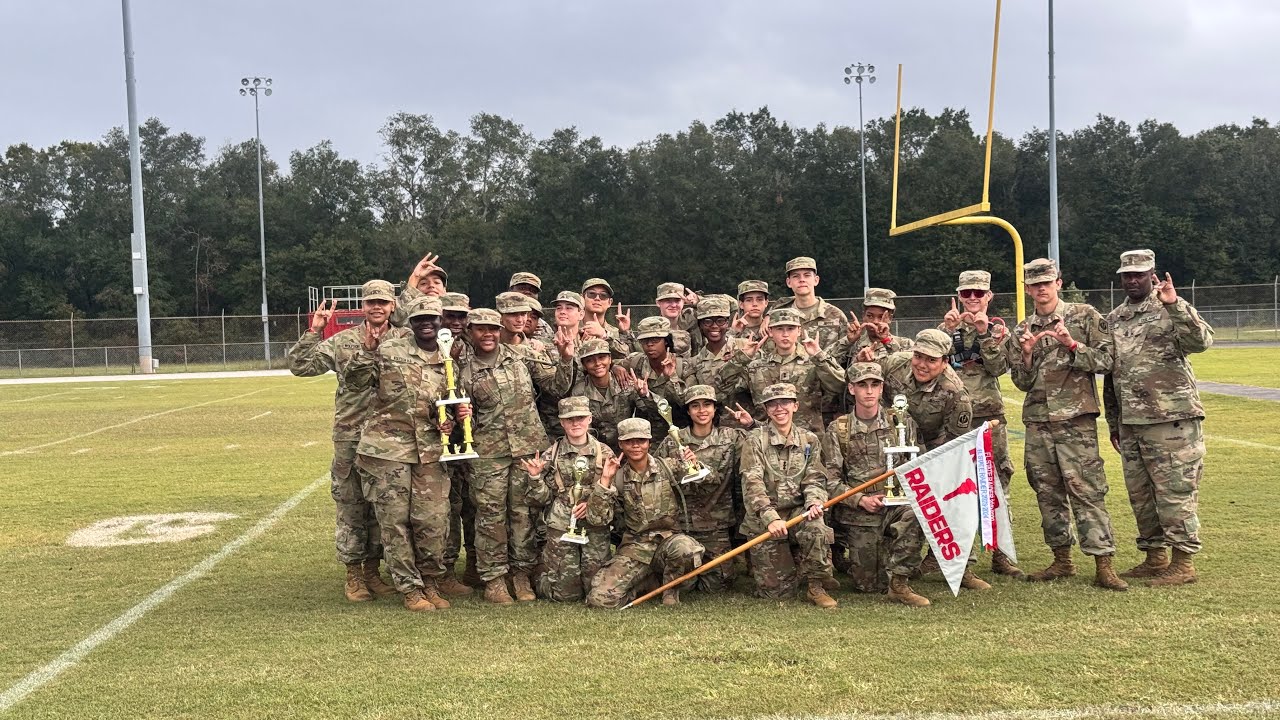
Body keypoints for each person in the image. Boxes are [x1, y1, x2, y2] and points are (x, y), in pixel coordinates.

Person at [1009, 257, 1127, 592]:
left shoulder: (1085, 315)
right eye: (1034, 284)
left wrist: (1071, 344)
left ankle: (1103, 563)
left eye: (1046, 282)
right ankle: (1061, 560)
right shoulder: (1023, 329)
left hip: (1076, 421)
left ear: (1058, 282)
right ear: (1028, 289)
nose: (1040, 289)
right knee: (1047, 492)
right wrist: (1028, 354)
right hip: (1038, 422)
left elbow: (1107, 361)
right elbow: (1020, 380)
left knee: (1087, 490)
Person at [286, 279, 407, 602]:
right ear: (363, 307)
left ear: (393, 306)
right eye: (371, 302)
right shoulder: (343, 341)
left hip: (390, 439)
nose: (377, 307)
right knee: (351, 505)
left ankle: (373, 571)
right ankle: (354, 575)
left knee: (382, 507)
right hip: (352, 436)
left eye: (383, 302)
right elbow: (300, 366)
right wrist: (314, 331)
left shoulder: (403, 341)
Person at [343, 296, 463, 612]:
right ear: (410, 322)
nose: (426, 324)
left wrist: (454, 420)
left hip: (431, 452)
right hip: (388, 451)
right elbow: (354, 383)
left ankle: (431, 582)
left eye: (432, 319)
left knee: (433, 521)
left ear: (440, 322)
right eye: (419, 319)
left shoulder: (449, 359)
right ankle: (410, 590)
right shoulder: (389, 350)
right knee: (395, 523)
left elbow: (446, 408)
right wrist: (367, 350)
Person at [1104, 249, 1214, 586]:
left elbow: (1202, 341)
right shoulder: (1115, 318)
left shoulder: (1170, 308)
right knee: (1141, 493)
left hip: (1172, 419)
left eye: (1139, 273)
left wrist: (1175, 304)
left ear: (1153, 274)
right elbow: (1112, 375)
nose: (1132, 279)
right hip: (1132, 422)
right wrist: (1114, 423)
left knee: (1175, 492)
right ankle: (1154, 557)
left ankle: (1183, 563)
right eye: (1127, 274)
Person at [457, 308, 577, 605]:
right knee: (490, 517)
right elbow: (461, 424)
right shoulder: (462, 369)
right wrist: (462, 417)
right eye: (481, 329)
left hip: (526, 449)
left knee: (523, 514)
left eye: (493, 329)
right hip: (489, 453)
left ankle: (521, 574)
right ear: (470, 332)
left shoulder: (521, 356)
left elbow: (556, 387)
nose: (488, 334)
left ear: (500, 331)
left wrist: (565, 358)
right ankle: (494, 579)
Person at [872, 328, 992, 591]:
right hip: (895, 441)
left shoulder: (956, 394)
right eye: (919, 356)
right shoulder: (895, 364)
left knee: (950, 499)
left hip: (937, 447)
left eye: (931, 360)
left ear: (945, 362)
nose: (922, 364)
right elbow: (867, 382)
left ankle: (962, 565)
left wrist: (936, 471)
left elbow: (955, 445)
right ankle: (892, 556)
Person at [821, 363, 930, 606]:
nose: (869, 391)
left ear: (882, 388)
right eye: (862, 385)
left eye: (875, 385)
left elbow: (916, 466)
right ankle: (877, 558)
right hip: (858, 512)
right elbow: (830, 479)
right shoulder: (838, 429)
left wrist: (896, 493)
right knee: (868, 586)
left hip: (894, 505)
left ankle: (900, 583)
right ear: (851, 389)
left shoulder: (901, 423)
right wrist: (860, 499)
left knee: (918, 512)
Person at [940, 270, 1023, 578]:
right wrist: (948, 334)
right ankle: (964, 556)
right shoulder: (945, 327)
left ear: (989, 296)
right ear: (959, 296)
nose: (972, 298)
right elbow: (934, 368)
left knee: (997, 486)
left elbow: (1000, 366)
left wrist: (985, 334)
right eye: (966, 293)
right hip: (955, 418)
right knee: (956, 488)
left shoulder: (999, 331)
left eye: (978, 293)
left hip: (989, 417)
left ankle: (1001, 554)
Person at [584, 418, 705, 608]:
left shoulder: (668, 467)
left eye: (641, 440)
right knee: (599, 599)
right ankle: (645, 583)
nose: (636, 446)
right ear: (621, 444)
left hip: (669, 540)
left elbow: (707, 481)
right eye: (629, 441)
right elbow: (597, 519)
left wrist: (695, 464)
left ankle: (671, 590)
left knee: (687, 550)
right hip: (636, 547)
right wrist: (605, 481)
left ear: (649, 442)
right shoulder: (617, 476)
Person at [739, 383, 838, 608]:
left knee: (817, 527)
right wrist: (769, 517)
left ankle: (816, 584)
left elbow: (815, 477)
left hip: (797, 513)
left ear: (795, 406)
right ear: (766, 410)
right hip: (765, 520)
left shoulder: (809, 440)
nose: (779, 408)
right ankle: (795, 564)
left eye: (784, 402)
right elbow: (752, 483)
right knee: (776, 593)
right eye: (772, 404)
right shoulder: (754, 440)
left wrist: (814, 503)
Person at [654, 385, 753, 593]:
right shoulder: (673, 440)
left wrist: (752, 425)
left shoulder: (732, 438)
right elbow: (657, 475)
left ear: (715, 408)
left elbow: (765, 443)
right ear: (688, 411)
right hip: (682, 525)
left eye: (707, 404)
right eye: (695, 406)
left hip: (715, 525)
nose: (702, 410)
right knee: (685, 585)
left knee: (717, 586)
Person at [521, 397, 617, 602]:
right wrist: (535, 477)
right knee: (566, 595)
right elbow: (541, 499)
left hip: (594, 522)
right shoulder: (552, 454)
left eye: (580, 418)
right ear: (562, 422)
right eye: (569, 419)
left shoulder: (605, 452)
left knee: (594, 589)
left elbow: (613, 493)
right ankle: (540, 575)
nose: (575, 423)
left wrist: (592, 503)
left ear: (589, 419)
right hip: (563, 523)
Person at [718, 308, 846, 433]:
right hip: (766, 440)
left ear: (799, 331)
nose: (785, 334)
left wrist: (819, 356)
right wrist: (741, 358)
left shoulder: (813, 363)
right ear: (770, 332)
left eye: (790, 329)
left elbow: (840, 386)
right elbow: (723, 386)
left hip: (808, 440)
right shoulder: (756, 367)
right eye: (779, 329)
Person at [438, 290, 478, 586]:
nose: (454, 321)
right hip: (439, 434)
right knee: (448, 505)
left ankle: (475, 565)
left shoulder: (476, 345)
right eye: (449, 315)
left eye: (460, 316)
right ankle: (447, 570)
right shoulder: (430, 345)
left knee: (474, 503)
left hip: (474, 433)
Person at [566, 338, 666, 451]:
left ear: (610, 360)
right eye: (590, 360)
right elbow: (582, 428)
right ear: (584, 365)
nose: (597, 363)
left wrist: (645, 395)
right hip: (597, 448)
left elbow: (660, 412)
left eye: (602, 358)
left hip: (629, 445)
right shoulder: (579, 392)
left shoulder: (627, 383)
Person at [684, 296, 752, 428]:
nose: (714, 326)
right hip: (713, 435)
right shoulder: (694, 363)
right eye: (707, 322)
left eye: (720, 321)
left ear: (727, 323)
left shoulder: (746, 348)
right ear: (700, 325)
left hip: (746, 427)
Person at [771, 256, 848, 349]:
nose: (802, 280)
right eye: (796, 276)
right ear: (788, 282)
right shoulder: (778, 315)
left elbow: (846, 352)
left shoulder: (835, 315)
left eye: (807, 275)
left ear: (816, 280)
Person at [620, 316, 689, 415]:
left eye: (655, 339)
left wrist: (672, 377)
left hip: (678, 427)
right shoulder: (636, 361)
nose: (649, 344)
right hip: (646, 427)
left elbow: (686, 403)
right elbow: (608, 363)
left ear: (665, 340)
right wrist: (616, 367)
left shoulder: (683, 366)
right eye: (644, 340)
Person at [830, 288, 912, 364]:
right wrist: (848, 341)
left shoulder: (905, 344)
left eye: (881, 317)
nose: (875, 321)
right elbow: (823, 363)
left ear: (889, 318)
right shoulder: (852, 345)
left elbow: (909, 367)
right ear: (863, 316)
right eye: (870, 316)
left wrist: (887, 342)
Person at [580, 278, 635, 357]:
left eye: (603, 295)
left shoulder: (616, 334)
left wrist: (625, 332)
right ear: (582, 298)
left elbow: (630, 359)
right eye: (591, 294)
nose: (597, 298)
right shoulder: (571, 329)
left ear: (609, 302)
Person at [509, 271, 557, 343]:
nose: (527, 292)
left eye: (533, 290)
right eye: (522, 288)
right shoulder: (497, 319)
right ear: (511, 290)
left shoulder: (544, 327)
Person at [729, 280, 771, 344]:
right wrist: (733, 332)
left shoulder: (772, 329)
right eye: (749, 300)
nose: (754, 304)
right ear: (741, 304)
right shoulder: (734, 331)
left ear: (766, 303)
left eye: (759, 299)